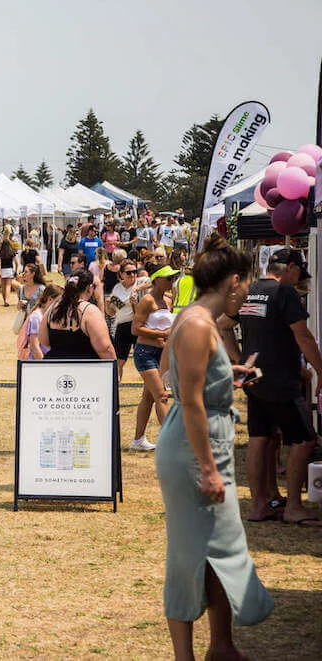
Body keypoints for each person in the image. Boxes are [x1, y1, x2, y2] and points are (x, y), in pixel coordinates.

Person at [155, 234, 272, 660]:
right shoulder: (199, 325)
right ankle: (186, 655)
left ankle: (222, 646)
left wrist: (233, 373)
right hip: (193, 450)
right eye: (246, 285)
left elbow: (198, 382)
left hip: (205, 445)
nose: (247, 294)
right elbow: (189, 400)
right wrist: (207, 469)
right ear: (234, 281)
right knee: (189, 554)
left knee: (221, 549)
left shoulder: (195, 319)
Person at [218, 247, 322, 526]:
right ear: (290, 267)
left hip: (254, 379)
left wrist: (239, 358)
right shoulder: (285, 293)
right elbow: (303, 337)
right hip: (279, 382)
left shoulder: (250, 291)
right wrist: (321, 370)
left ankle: (259, 505)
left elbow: (223, 325)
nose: (298, 279)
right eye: (298, 272)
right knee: (304, 440)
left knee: (260, 439)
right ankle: (294, 507)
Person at [130, 265, 178, 451]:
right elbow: (135, 329)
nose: (171, 281)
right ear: (157, 279)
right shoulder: (147, 301)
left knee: (148, 398)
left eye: (173, 278)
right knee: (162, 396)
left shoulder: (168, 299)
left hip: (162, 354)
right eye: (168, 278)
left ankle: (138, 440)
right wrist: (162, 333)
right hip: (145, 353)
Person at [37, 269, 115, 360]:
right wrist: (114, 370)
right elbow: (104, 348)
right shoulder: (89, 311)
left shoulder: (53, 308)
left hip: (55, 368)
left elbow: (43, 340)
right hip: (83, 369)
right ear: (90, 288)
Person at [107, 260, 139, 382]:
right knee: (119, 361)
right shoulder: (117, 288)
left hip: (137, 325)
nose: (132, 275)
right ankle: (115, 388)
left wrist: (135, 292)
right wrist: (107, 306)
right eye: (129, 272)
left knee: (142, 361)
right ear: (121, 274)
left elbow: (151, 283)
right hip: (122, 326)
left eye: (135, 272)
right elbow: (114, 311)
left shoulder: (141, 283)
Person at [17, 284, 62, 360]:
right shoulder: (36, 317)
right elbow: (34, 346)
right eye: (59, 302)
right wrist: (43, 365)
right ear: (50, 299)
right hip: (38, 364)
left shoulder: (50, 316)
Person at [0, 231, 18, 307]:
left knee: (3, 286)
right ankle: (7, 300)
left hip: (2, 270)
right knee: (8, 286)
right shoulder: (12, 252)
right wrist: (16, 270)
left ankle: (4, 300)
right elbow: (16, 262)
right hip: (9, 269)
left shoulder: (1, 253)